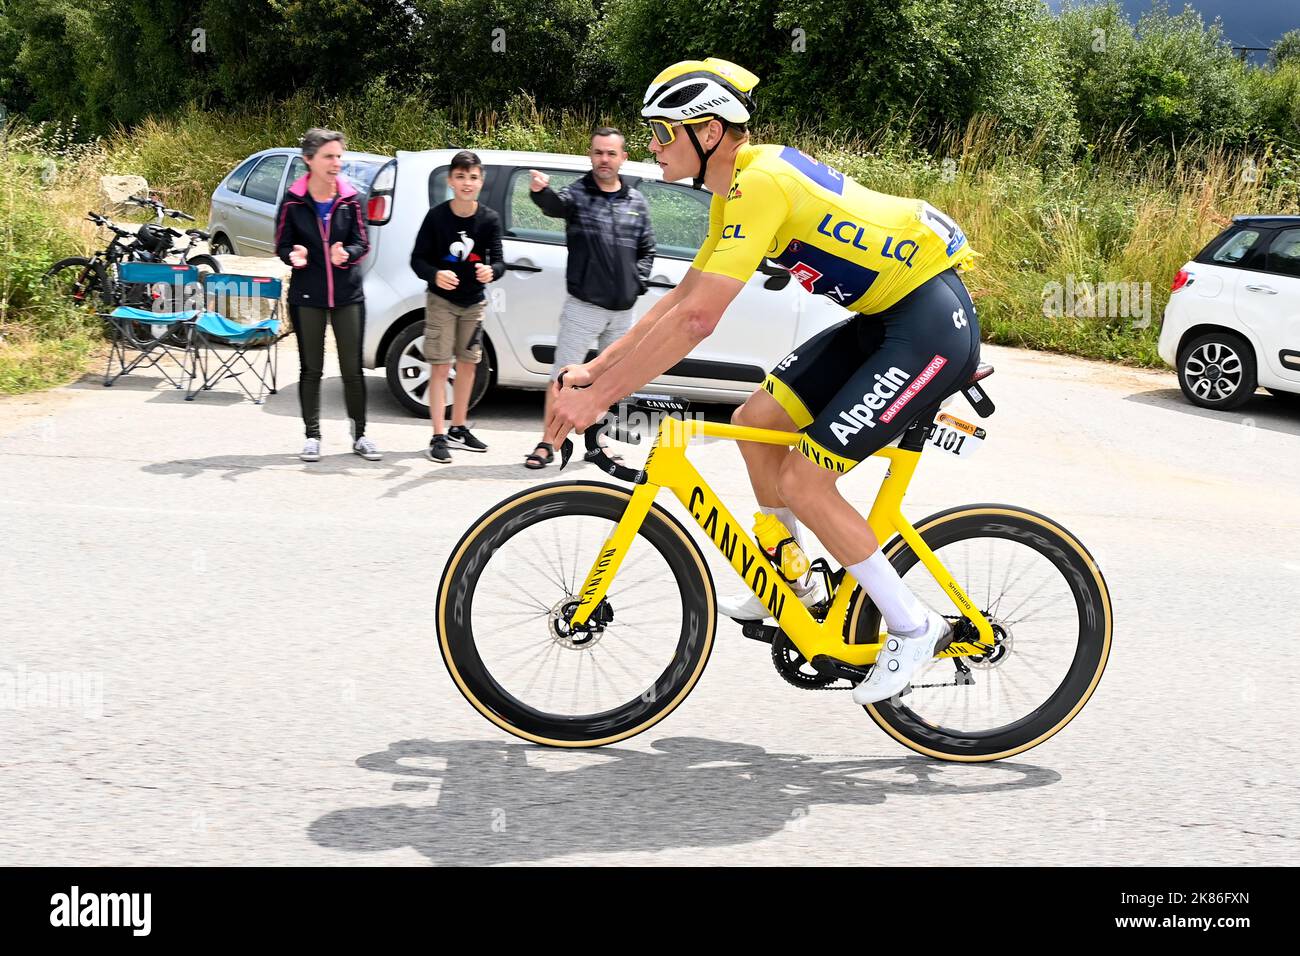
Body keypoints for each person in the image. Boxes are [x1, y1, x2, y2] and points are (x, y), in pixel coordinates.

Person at [543, 59, 982, 706]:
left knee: (807, 478)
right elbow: (680, 298)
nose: (652, 147)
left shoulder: (761, 184)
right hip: (885, 319)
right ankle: (797, 581)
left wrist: (600, 401)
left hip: (927, 324)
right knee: (756, 423)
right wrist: (596, 371)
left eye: (664, 133)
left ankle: (914, 626)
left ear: (710, 132)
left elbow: (698, 321)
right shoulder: (735, 189)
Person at [523, 127, 656, 468]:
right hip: (584, 307)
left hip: (622, 312)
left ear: (623, 158)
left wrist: (636, 282)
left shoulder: (636, 203)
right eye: (598, 153)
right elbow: (555, 206)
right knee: (563, 378)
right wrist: (541, 192)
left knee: (609, 383)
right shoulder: (578, 194)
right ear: (591, 156)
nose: (604, 160)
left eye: (611, 153)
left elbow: (647, 249)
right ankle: (547, 444)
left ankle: (598, 445)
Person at [274, 128, 379, 462]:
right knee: (311, 369)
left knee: (352, 370)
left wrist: (346, 254)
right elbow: (282, 244)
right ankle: (312, 436)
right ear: (309, 160)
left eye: (339, 156)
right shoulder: (292, 201)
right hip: (308, 295)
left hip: (348, 295)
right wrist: (294, 256)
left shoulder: (351, 199)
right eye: (329, 157)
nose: (336, 163)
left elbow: (362, 243)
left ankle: (360, 435)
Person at [410, 149, 504, 463]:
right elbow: (417, 260)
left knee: (468, 365)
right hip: (442, 302)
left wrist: (492, 272)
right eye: (461, 177)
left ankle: (458, 427)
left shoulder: (489, 219)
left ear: (481, 182)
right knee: (439, 367)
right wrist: (436, 274)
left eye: (473, 177)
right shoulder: (436, 217)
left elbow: (499, 262)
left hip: (474, 304)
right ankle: (438, 435)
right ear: (451, 181)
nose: (467, 183)